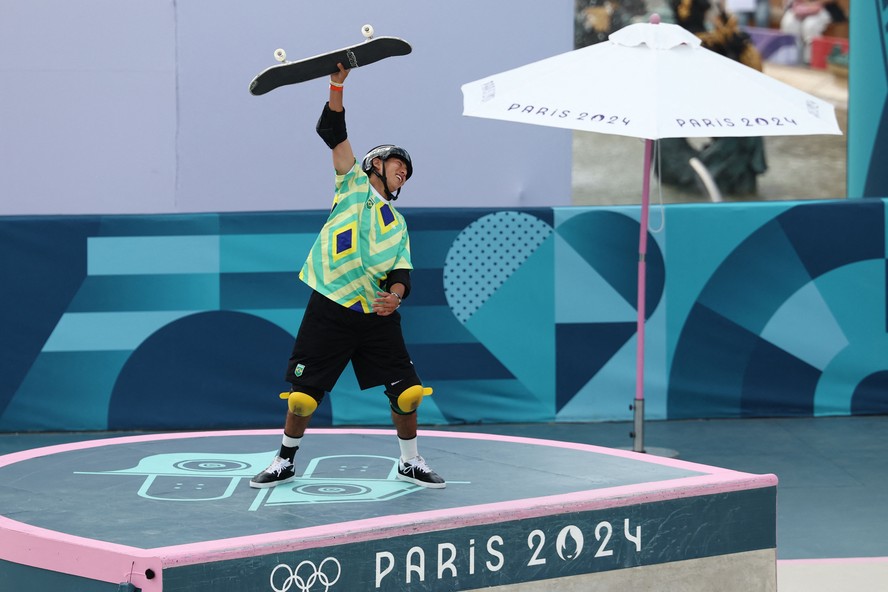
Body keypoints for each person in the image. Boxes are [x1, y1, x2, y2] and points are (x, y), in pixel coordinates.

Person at [250, 63, 445, 490]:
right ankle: (284, 460)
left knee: (408, 393)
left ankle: (409, 462)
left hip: (376, 315)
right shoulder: (352, 183)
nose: (404, 173)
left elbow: (401, 272)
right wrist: (337, 84)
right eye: (399, 165)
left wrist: (395, 296)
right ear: (376, 163)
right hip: (331, 306)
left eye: (408, 173)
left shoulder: (398, 223)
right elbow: (332, 130)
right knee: (302, 399)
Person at [657, 0, 768, 197]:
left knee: (744, 133)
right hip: (702, 79)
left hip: (728, 107)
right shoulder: (694, 37)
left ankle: (730, 173)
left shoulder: (721, 37)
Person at [780, 0, 846, 64]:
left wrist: (813, 3)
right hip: (799, 7)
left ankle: (809, 61)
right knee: (789, 23)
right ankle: (792, 59)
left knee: (810, 25)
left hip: (824, 8)